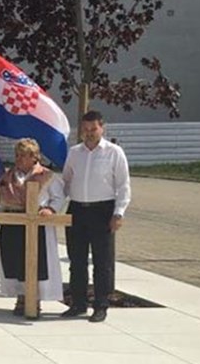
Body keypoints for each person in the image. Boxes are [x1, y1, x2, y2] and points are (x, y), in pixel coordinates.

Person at [62, 110, 131, 323]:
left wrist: (118, 213)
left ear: (102, 128)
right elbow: (65, 182)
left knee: (103, 262)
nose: (89, 133)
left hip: (103, 211)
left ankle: (101, 305)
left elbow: (123, 186)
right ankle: (78, 303)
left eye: (94, 129)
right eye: (86, 129)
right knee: (77, 260)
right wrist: (49, 204)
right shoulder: (74, 152)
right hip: (77, 210)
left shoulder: (114, 152)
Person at [0, 139, 66, 317]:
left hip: (36, 222)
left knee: (35, 261)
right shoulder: (8, 176)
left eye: (23, 155)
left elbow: (59, 197)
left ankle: (35, 298)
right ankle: (21, 296)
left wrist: (50, 209)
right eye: (17, 155)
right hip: (13, 223)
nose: (19, 159)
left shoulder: (46, 175)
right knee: (15, 261)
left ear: (34, 157)